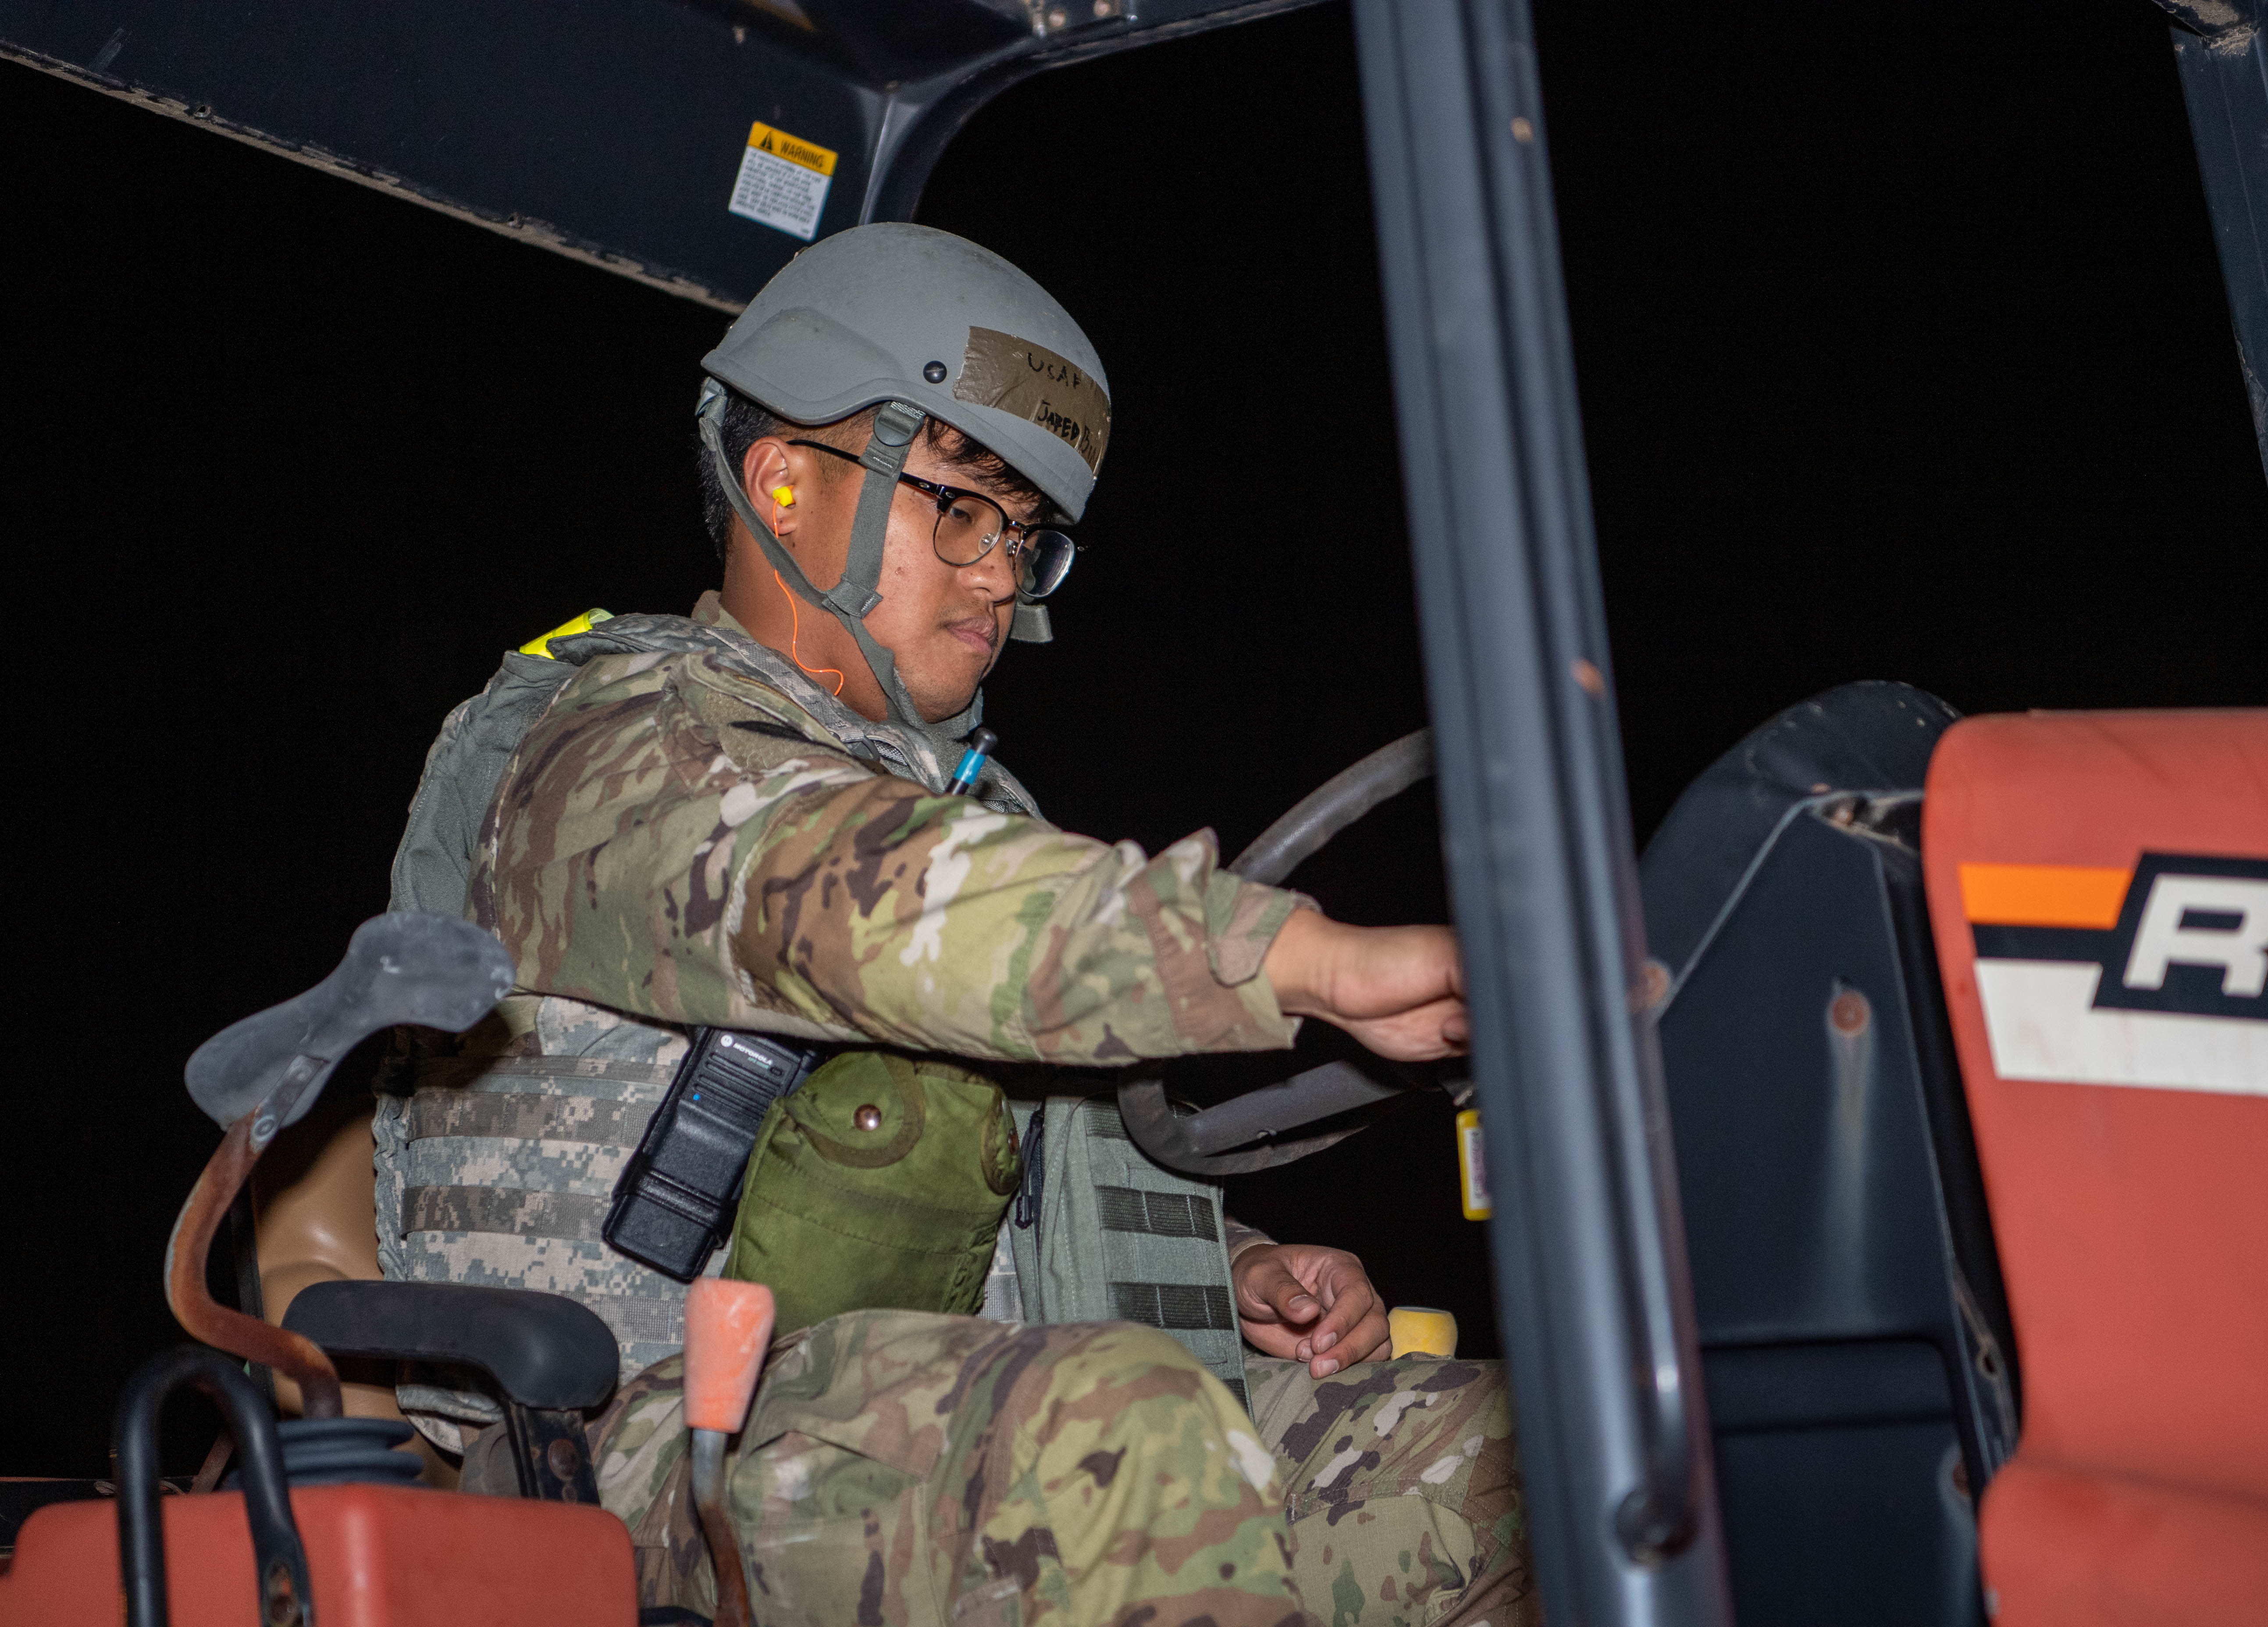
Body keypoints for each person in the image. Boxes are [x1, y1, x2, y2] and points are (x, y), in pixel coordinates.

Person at [362, 222, 1531, 1627]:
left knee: (1527, 1453)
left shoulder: (979, 814)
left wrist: (1241, 1271)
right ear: (785, 482)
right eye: (961, 513)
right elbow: (873, 903)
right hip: (629, 1450)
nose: (999, 577)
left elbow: (1044, 1162)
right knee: (1117, 1439)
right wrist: (1302, 959)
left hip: (959, 1417)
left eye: (1025, 538)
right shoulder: (618, 747)